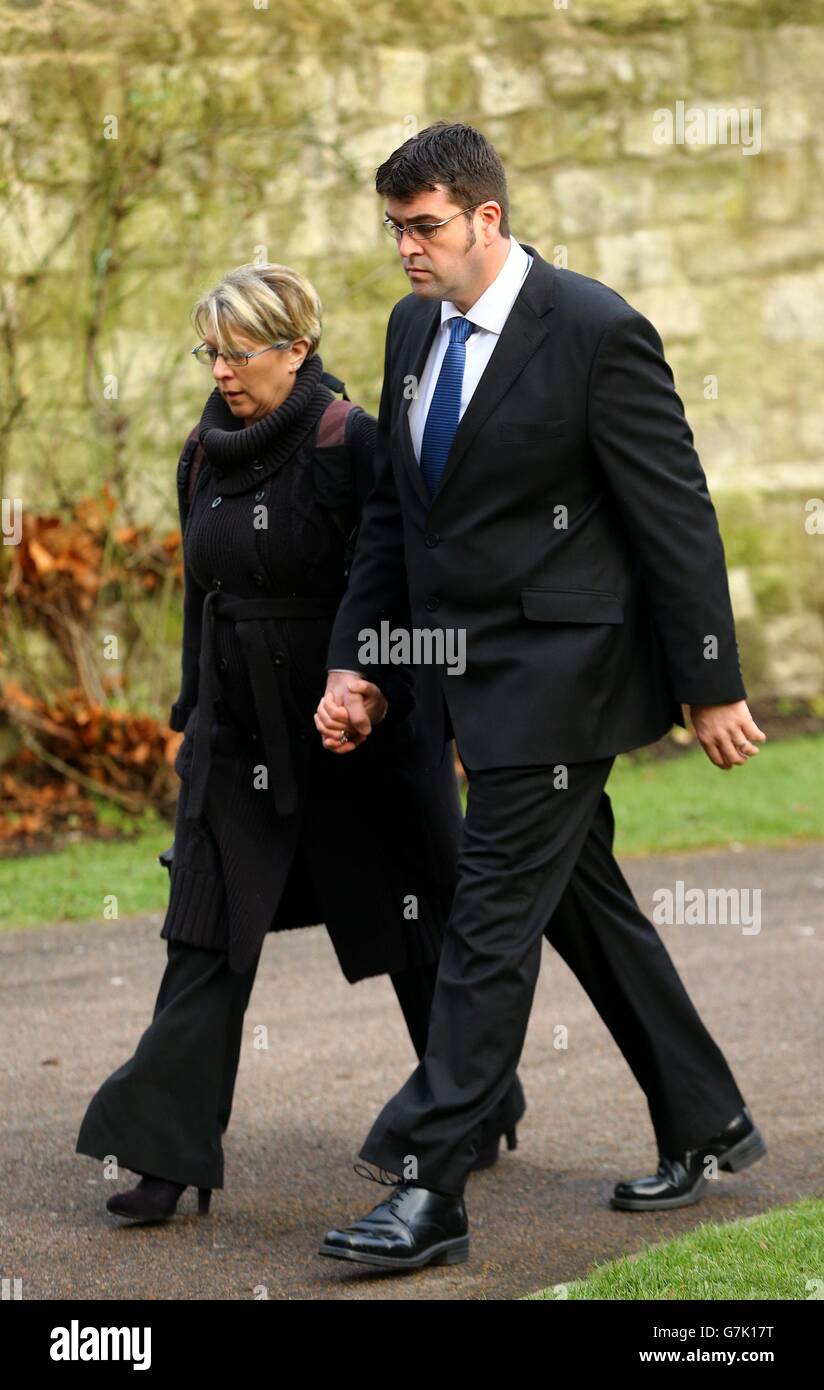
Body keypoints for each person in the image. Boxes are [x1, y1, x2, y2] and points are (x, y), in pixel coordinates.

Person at [314, 122, 768, 1271]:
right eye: (394, 229)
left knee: (485, 925)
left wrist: (709, 683)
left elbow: (675, 517)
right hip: (461, 679)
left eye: (423, 227)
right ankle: (707, 1114)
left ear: (485, 219)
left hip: (568, 683)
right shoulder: (412, 329)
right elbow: (393, 516)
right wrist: (360, 659)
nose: (406, 250)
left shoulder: (596, 330)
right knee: (579, 902)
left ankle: (429, 1190)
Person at [75, 260, 524, 1223]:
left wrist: (380, 694)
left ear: (298, 347)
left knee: (410, 925)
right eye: (212, 351)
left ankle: (470, 1102)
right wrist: (191, 723)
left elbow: (400, 576)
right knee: (205, 933)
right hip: (238, 737)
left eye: (241, 352)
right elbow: (207, 600)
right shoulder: (201, 449)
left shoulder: (349, 440)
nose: (224, 369)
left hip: (355, 732)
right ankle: (164, 1150)